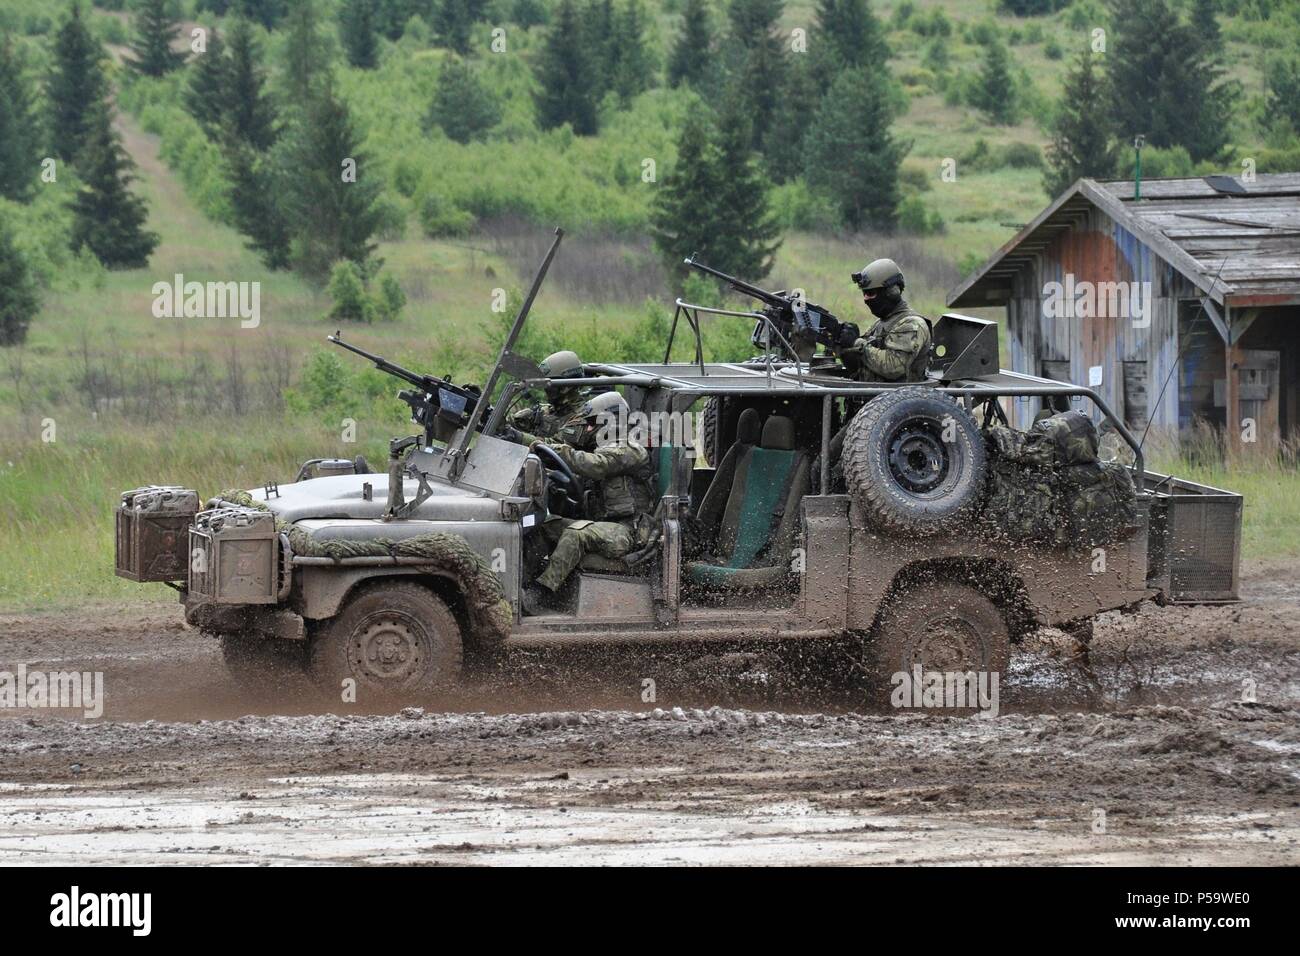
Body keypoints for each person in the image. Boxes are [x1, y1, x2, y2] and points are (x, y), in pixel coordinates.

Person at [525, 391, 656, 613]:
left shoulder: (631, 448)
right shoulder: (601, 447)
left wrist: (557, 450)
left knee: (577, 533)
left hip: (628, 531)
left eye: (592, 423)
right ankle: (526, 584)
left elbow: (596, 465)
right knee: (543, 526)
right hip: (604, 526)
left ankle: (542, 594)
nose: (587, 429)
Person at [842, 258, 932, 382]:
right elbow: (862, 364)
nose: (866, 299)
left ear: (892, 291)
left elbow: (893, 367)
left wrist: (856, 343)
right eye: (864, 293)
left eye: (871, 293)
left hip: (901, 397)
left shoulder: (912, 324)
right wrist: (843, 343)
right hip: (876, 396)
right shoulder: (881, 323)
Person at [507, 350, 589, 443]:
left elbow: (558, 447)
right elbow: (508, 423)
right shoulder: (545, 411)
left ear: (566, 387)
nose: (545, 389)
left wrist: (517, 437)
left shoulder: (583, 419)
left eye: (548, 385)